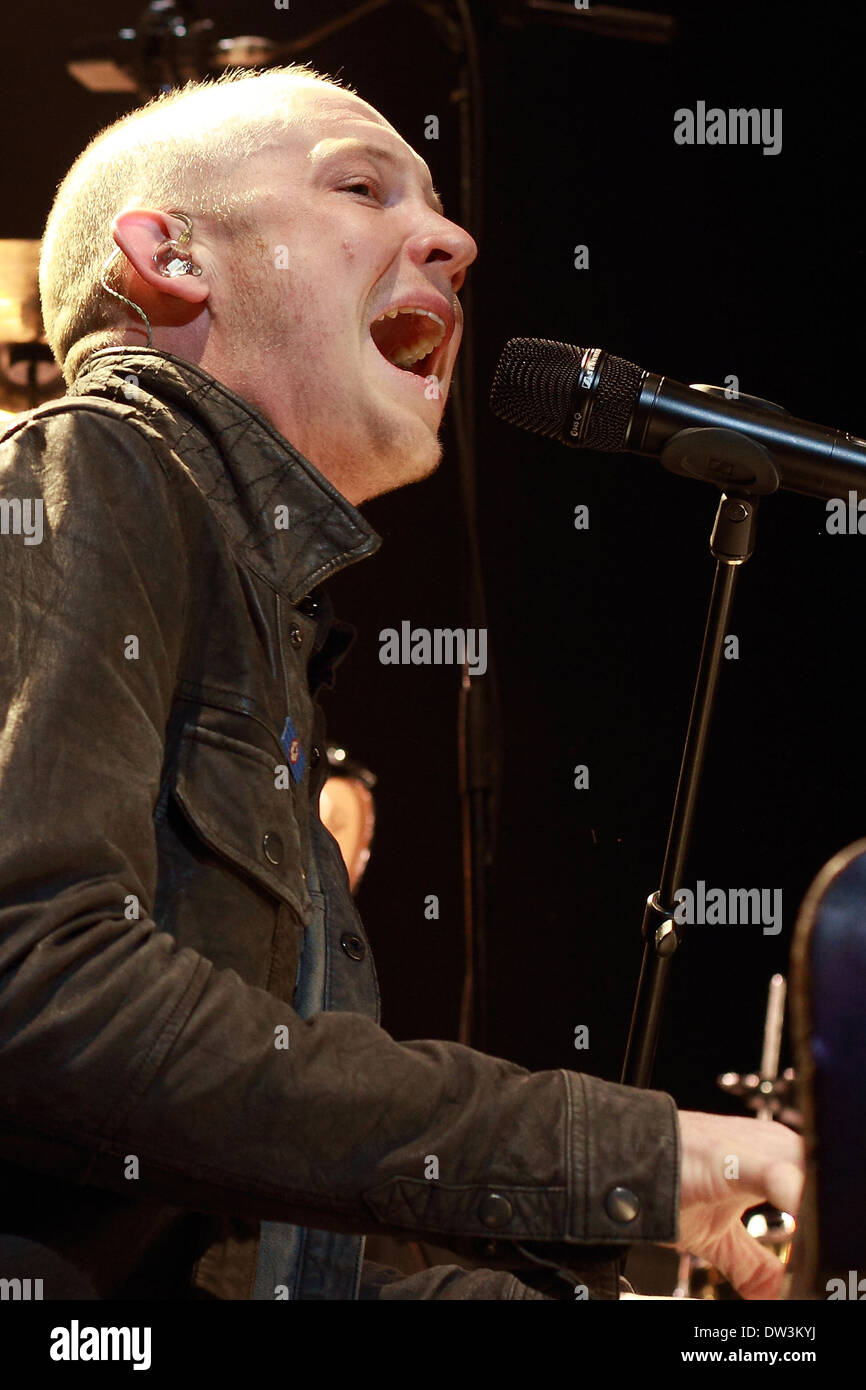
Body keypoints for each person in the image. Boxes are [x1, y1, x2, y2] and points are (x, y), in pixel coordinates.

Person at [0, 65, 802, 1301]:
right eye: (362, 187)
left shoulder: (258, 617)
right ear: (172, 257)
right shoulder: (88, 466)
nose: (455, 238)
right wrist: (632, 1154)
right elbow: (36, 991)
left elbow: (255, 1267)